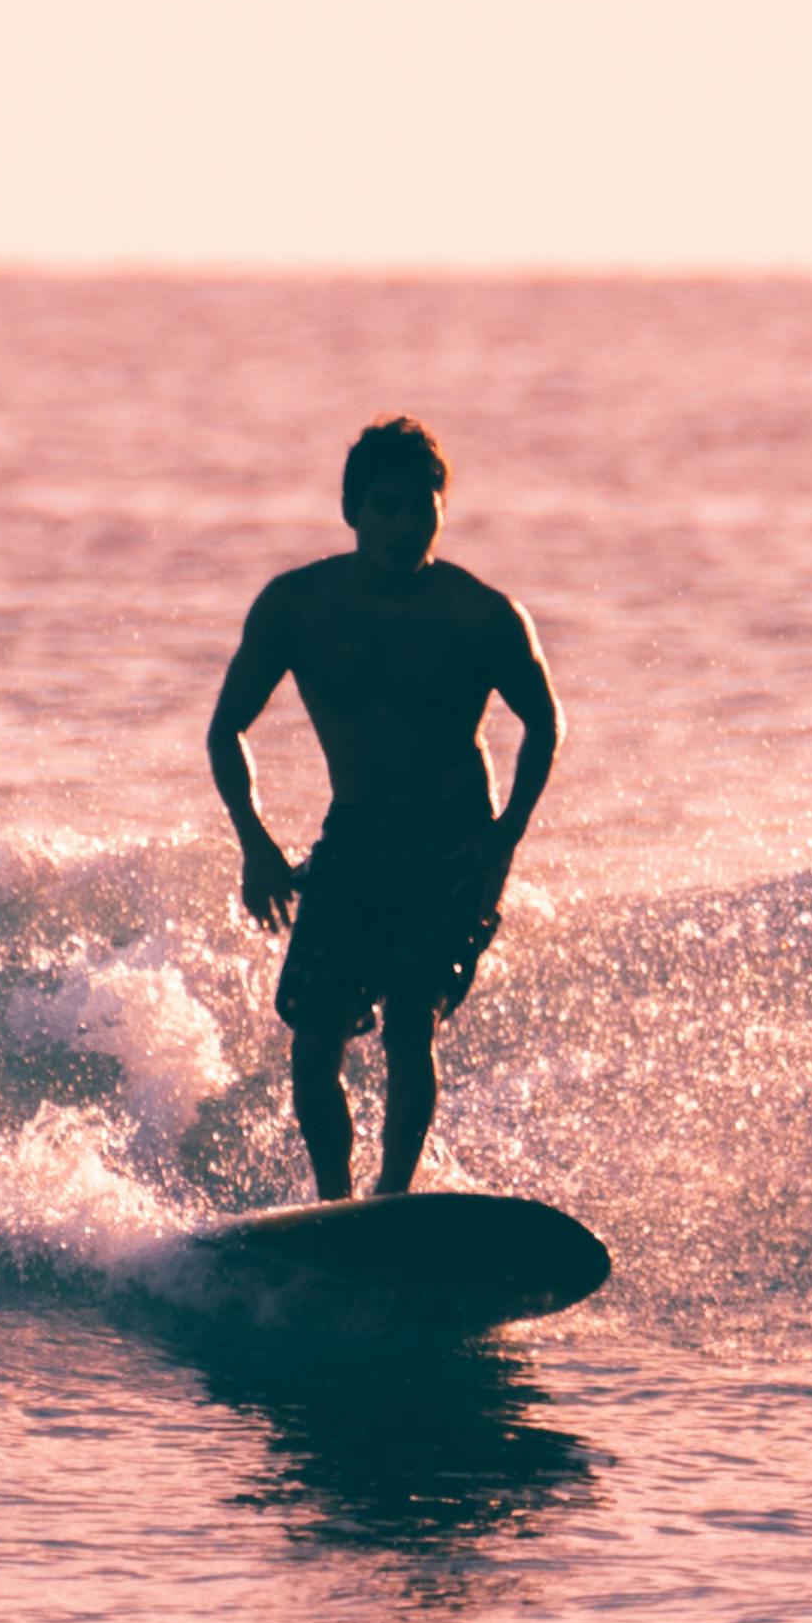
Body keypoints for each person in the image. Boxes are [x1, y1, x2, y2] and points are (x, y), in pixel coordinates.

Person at [207, 418, 562, 1200]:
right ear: (352, 511)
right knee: (313, 1036)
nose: (405, 525)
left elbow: (545, 722)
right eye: (387, 506)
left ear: (442, 510)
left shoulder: (482, 614)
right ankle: (337, 1205)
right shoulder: (297, 607)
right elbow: (226, 729)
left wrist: (505, 839)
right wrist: (256, 845)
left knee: (410, 1024)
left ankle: (393, 1198)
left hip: (451, 844)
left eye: (423, 507)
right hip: (357, 837)